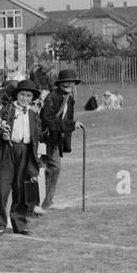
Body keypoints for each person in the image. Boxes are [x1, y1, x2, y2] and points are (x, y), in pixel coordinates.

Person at [0, 79, 41, 236]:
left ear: (32, 98)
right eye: (22, 94)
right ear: (17, 95)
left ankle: (20, 223)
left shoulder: (33, 114)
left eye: (28, 95)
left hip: (25, 153)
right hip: (8, 150)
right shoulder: (7, 110)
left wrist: (36, 157)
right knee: (2, 186)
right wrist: (3, 136)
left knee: (22, 188)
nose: (25, 98)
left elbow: (36, 137)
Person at [39, 67, 80, 210]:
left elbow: (68, 120)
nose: (69, 85)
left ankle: (46, 202)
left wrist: (66, 143)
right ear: (61, 84)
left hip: (55, 140)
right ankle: (36, 203)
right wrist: (70, 125)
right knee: (40, 170)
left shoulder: (70, 100)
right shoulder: (52, 97)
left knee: (54, 169)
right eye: (66, 83)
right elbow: (47, 119)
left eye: (71, 83)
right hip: (43, 139)